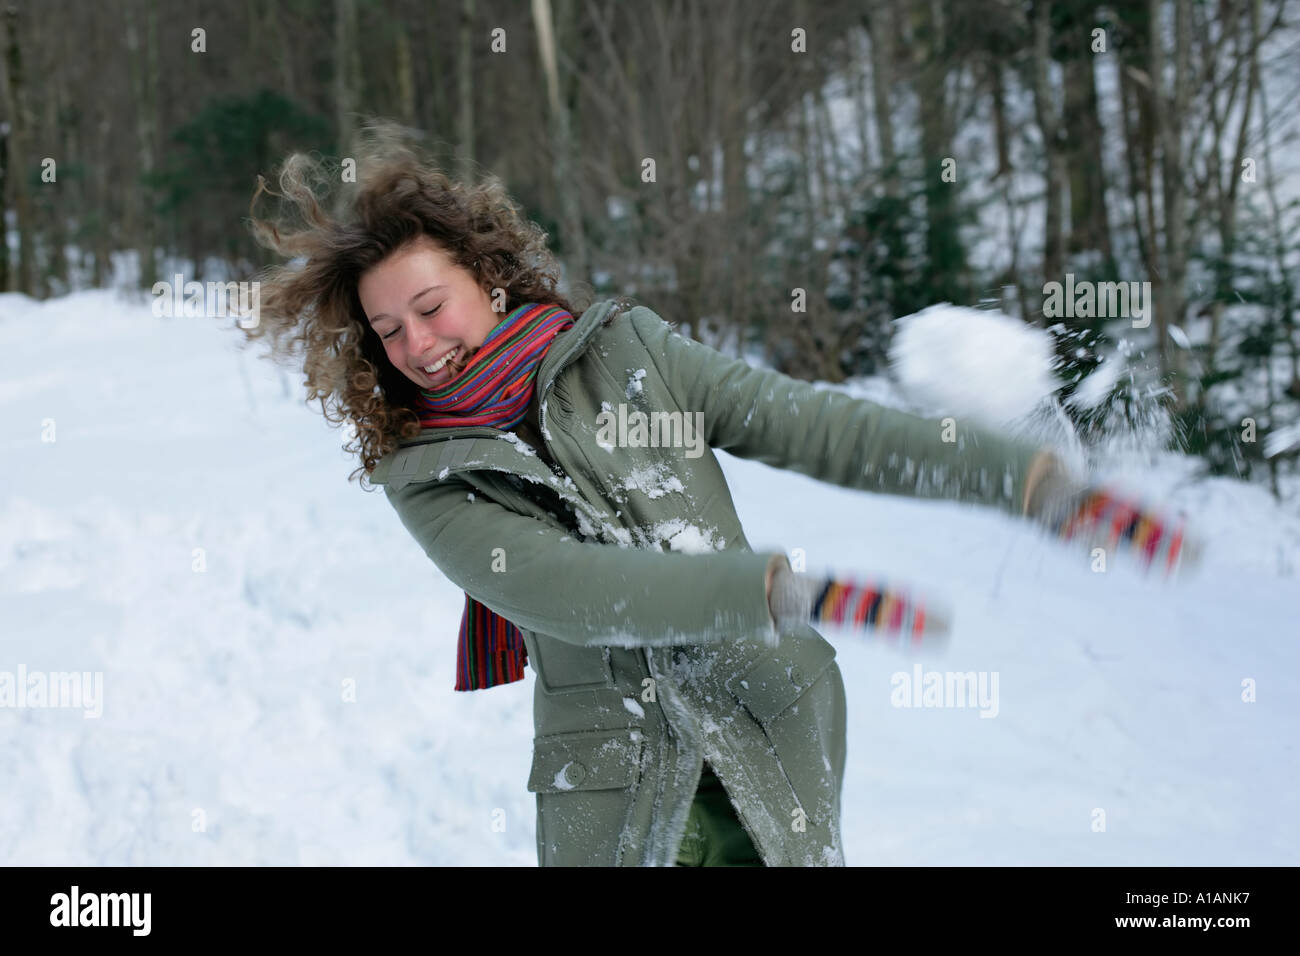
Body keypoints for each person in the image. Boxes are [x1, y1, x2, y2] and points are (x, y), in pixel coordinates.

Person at [240, 125, 1180, 867]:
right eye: (388, 330)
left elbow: (808, 423)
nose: (416, 345)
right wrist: (769, 591)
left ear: (484, 275)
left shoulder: (629, 353)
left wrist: (1020, 480)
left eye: (430, 306)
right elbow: (565, 587)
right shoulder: (424, 472)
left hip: (766, 720)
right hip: (611, 781)